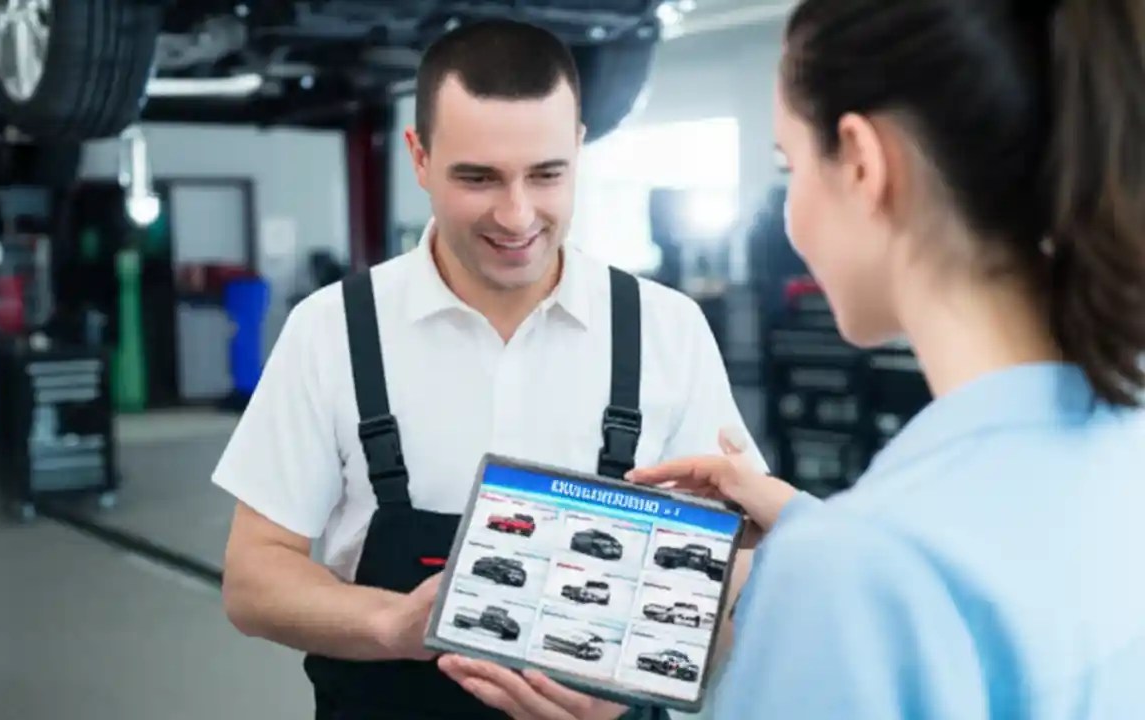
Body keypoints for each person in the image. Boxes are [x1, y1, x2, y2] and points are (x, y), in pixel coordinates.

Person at [439, 0, 1145, 718]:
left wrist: (831, 557)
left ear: (865, 165)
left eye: (791, 164)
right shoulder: (1122, 446)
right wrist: (809, 527)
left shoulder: (852, 577)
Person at [211, 18, 765, 720]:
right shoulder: (333, 331)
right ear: (419, 157)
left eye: (546, 174)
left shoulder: (666, 328)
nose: (516, 214)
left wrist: (629, 693)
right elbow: (254, 577)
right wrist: (389, 625)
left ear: (579, 150)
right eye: (478, 177)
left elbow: (730, 561)